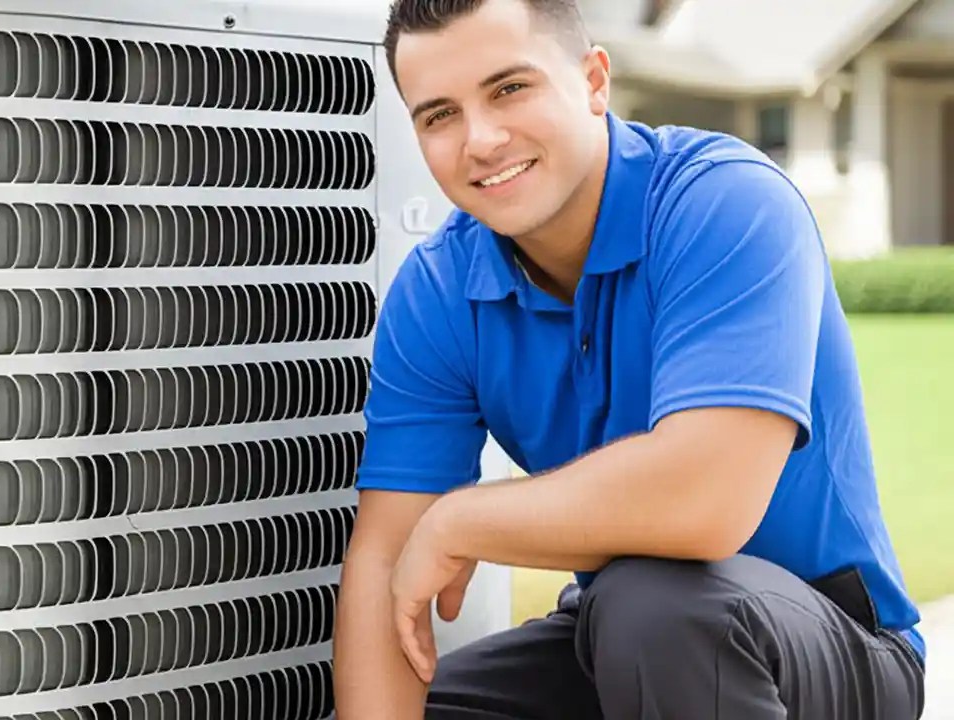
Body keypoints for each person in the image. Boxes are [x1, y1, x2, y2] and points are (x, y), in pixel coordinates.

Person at [330, 0, 928, 717]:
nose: (481, 139)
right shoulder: (438, 290)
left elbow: (705, 504)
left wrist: (460, 519)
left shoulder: (723, 202)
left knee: (657, 610)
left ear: (593, 81)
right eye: (439, 116)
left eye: (509, 89)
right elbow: (385, 561)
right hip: (616, 634)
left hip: (832, 647)